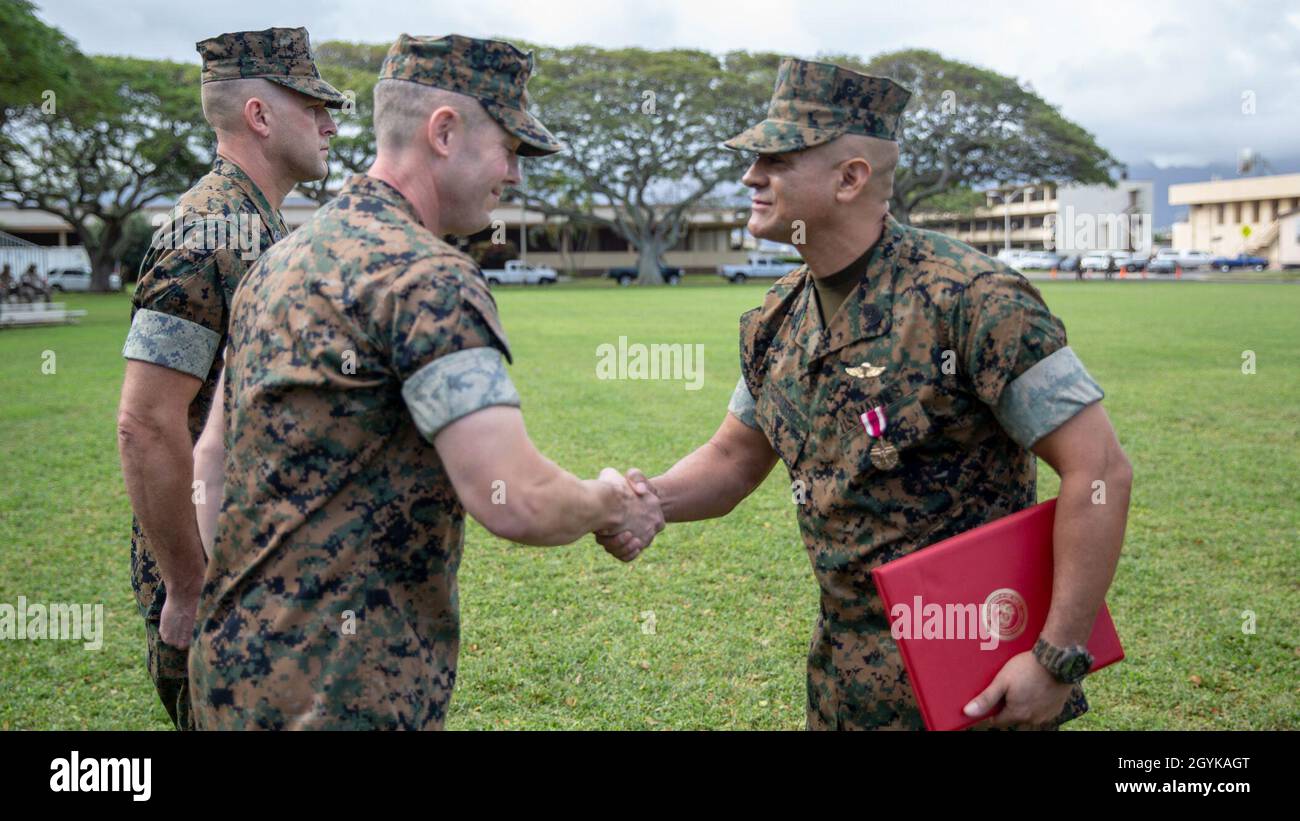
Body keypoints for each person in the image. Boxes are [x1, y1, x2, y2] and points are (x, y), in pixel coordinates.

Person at [601, 57, 1132, 730]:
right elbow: (734, 459)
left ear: (851, 178)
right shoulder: (776, 319)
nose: (750, 176)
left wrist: (1056, 657)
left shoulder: (973, 299)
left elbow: (1102, 468)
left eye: (777, 158)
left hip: (977, 679)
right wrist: (649, 503)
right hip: (844, 685)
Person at [188, 34, 663, 730]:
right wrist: (611, 502)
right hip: (347, 696)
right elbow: (516, 498)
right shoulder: (426, 277)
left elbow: (210, 462)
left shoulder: (281, 259)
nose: (516, 176)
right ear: (445, 132)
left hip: (231, 676)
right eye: (510, 148)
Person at [116, 26, 344, 730]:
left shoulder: (259, 224)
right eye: (314, 106)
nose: (331, 123)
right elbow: (145, 421)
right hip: (216, 580)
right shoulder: (205, 232)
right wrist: (186, 584)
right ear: (260, 115)